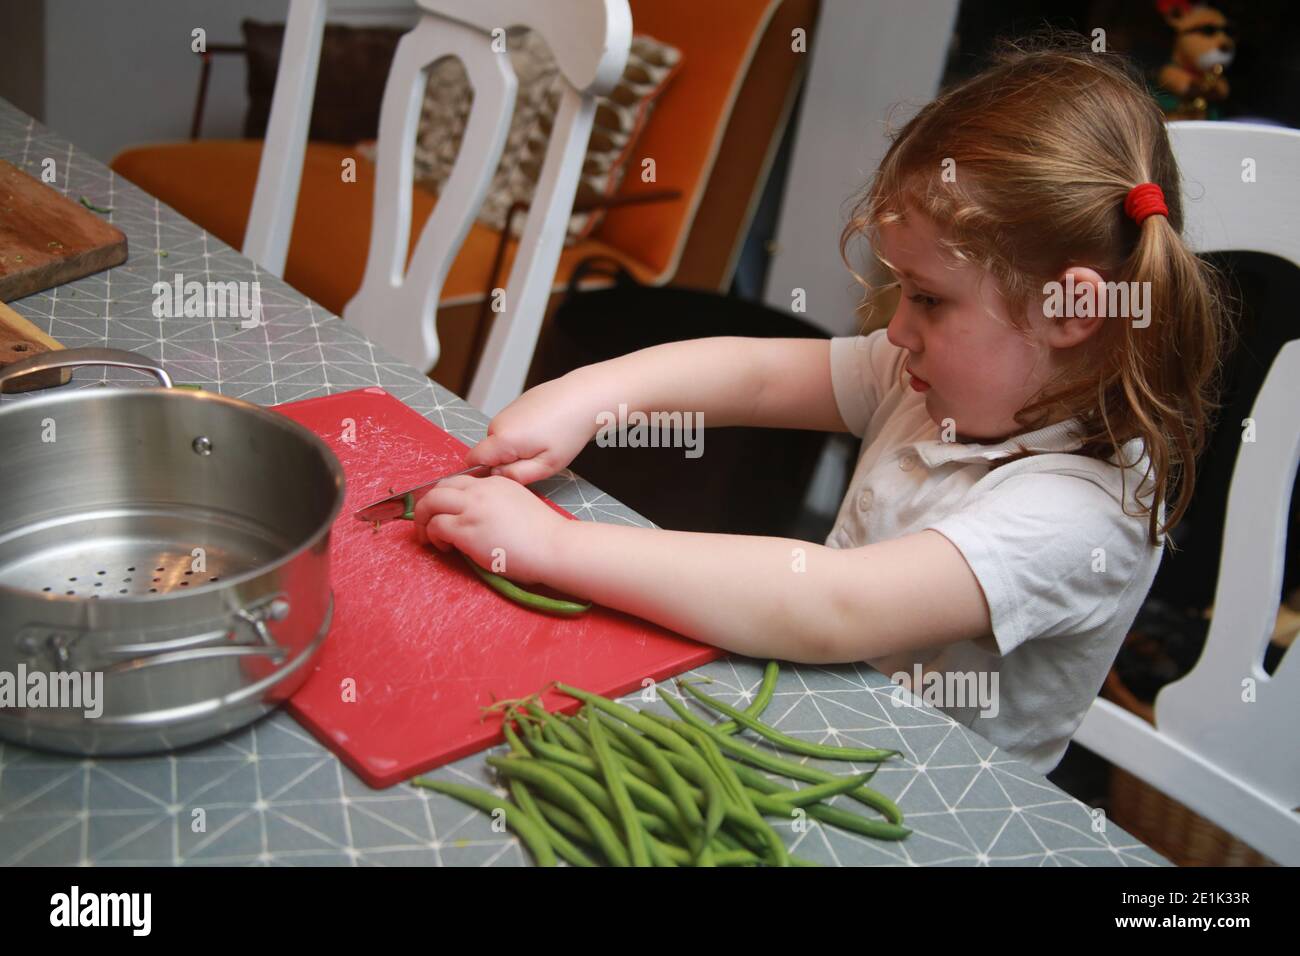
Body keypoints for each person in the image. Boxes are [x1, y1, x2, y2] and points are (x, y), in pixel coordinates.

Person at [410, 39, 1233, 774]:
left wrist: (553, 546)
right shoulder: (943, 382)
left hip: (920, 814)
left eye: (929, 299)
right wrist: (590, 395)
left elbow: (832, 606)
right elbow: (762, 376)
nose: (896, 328)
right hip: (806, 730)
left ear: (1069, 312)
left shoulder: (1081, 516)